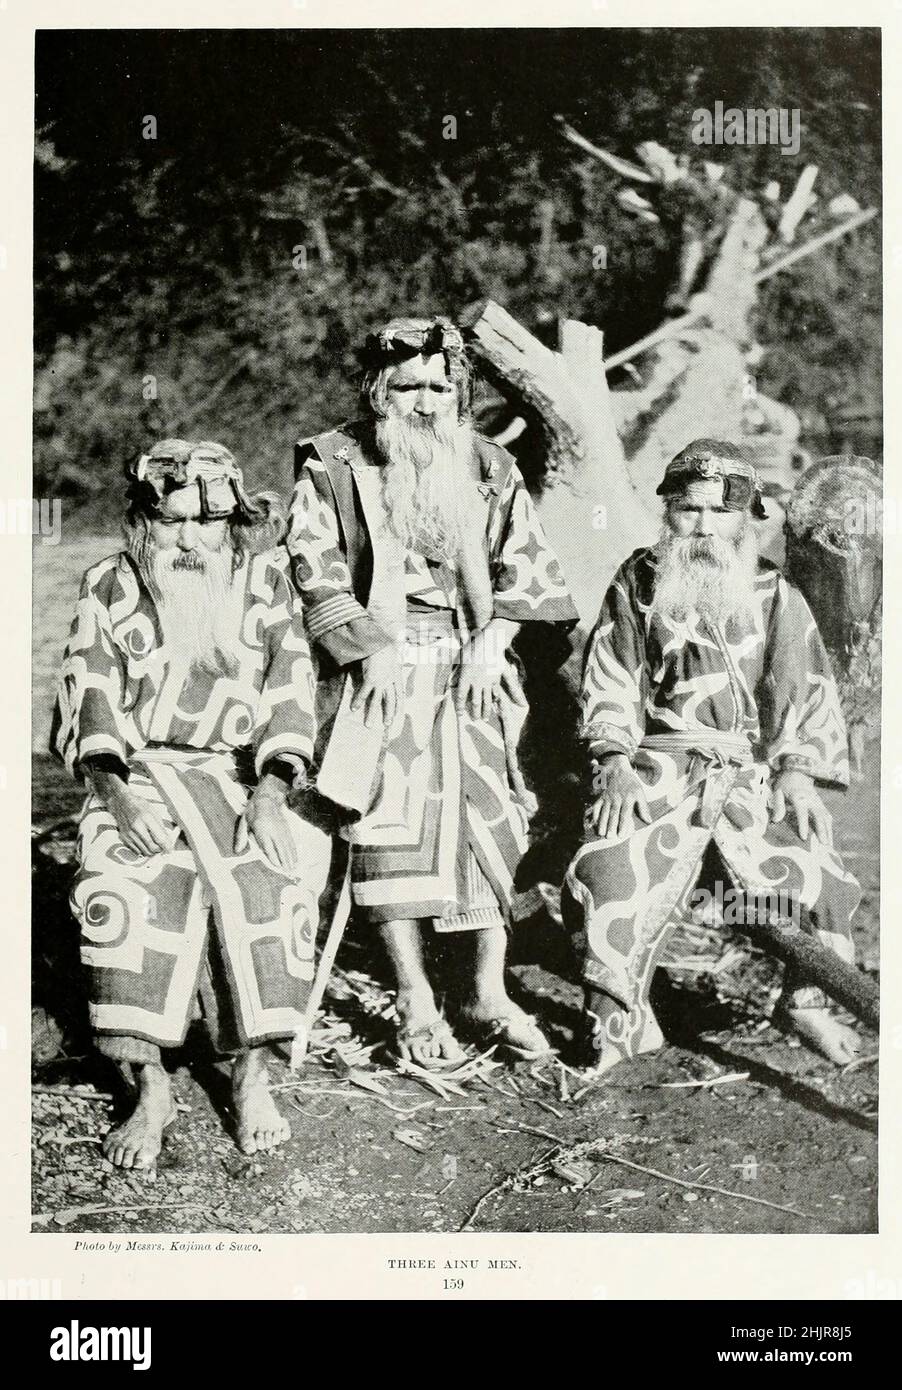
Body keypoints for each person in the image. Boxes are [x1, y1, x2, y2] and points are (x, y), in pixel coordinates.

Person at [287, 316, 578, 1068]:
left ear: (461, 395)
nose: (424, 403)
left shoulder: (487, 465)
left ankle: (486, 989)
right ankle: (415, 994)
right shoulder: (335, 461)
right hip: (380, 662)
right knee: (388, 818)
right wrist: (365, 643)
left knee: (494, 814)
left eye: (440, 389)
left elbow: (531, 567)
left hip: (474, 657)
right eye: (407, 387)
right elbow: (307, 560)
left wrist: (494, 640)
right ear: (380, 392)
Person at [51, 440, 330, 1169]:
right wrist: (113, 795)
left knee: (275, 879)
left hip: (239, 775)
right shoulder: (108, 583)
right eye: (171, 524)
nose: (188, 541)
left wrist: (272, 793)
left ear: (232, 523)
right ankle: (149, 1085)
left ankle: (251, 1074)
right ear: (146, 521)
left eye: (205, 526)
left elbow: (290, 690)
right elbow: (91, 691)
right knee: (122, 880)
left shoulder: (266, 584)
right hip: (138, 775)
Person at [564, 439, 861, 1074]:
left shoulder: (775, 594)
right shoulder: (639, 579)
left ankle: (804, 999)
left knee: (819, 868)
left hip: (747, 775)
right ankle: (619, 1022)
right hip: (656, 767)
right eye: (687, 509)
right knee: (609, 871)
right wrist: (612, 758)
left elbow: (802, 686)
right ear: (667, 511)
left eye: (719, 513)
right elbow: (612, 672)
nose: (702, 526)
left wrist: (798, 772)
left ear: (746, 516)